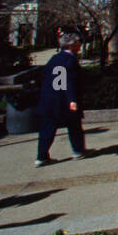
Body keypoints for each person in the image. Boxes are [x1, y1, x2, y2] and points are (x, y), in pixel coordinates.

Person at [36, 29, 88, 167]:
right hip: (65, 99)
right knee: (74, 125)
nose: (79, 45)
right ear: (71, 46)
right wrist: (72, 100)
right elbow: (69, 81)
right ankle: (78, 150)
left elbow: (45, 76)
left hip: (49, 98)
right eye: (77, 43)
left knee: (47, 128)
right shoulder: (70, 60)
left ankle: (41, 157)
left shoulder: (54, 59)